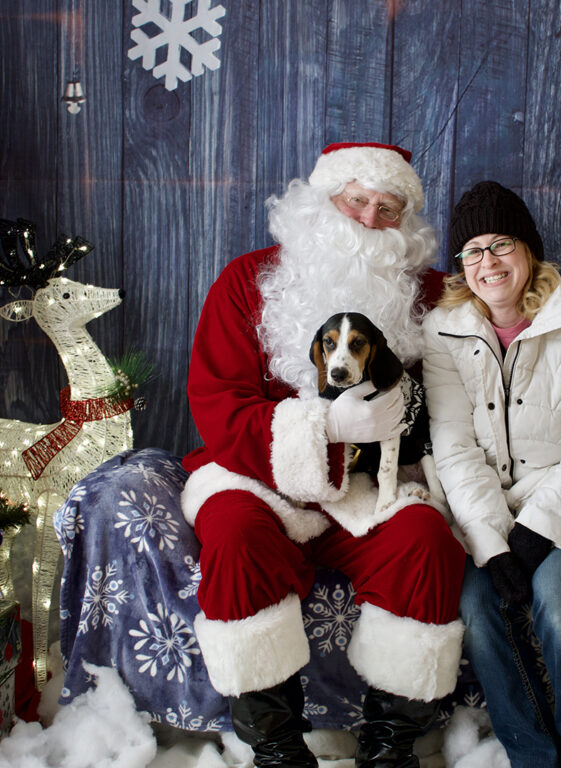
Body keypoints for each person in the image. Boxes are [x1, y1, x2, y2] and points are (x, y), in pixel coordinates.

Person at [181, 142, 468, 768]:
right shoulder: (247, 281)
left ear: (406, 223)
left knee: (426, 542)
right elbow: (217, 400)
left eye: (387, 209)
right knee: (233, 537)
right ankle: (277, 748)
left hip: (371, 485)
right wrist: (325, 428)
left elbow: (503, 334)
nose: (368, 220)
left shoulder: (431, 292)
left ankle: (390, 746)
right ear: (320, 202)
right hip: (257, 477)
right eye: (355, 201)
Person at [422, 181, 561, 768]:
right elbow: (454, 445)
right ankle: (534, 756)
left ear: (528, 250)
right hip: (487, 509)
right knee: (477, 608)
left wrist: (538, 531)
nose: (488, 262)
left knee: (557, 601)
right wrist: (493, 544)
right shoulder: (442, 330)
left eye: (502, 244)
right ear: (461, 264)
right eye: (473, 250)